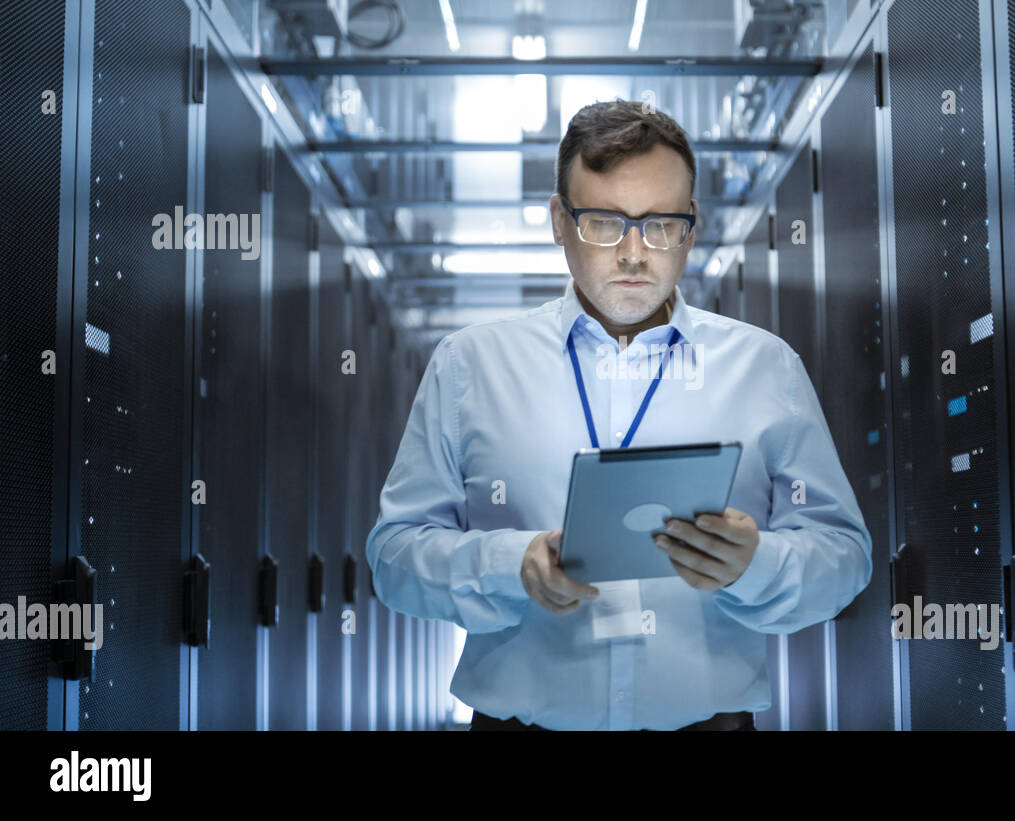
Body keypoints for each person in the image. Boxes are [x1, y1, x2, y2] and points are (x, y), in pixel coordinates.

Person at [365, 99, 872, 731]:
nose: (634, 253)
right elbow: (393, 558)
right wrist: (508, 564)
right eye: (604, 223)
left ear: (692, 224)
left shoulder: (765, 368)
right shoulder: (470, 365)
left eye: (661, 224)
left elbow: (846, 556)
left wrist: (756, 565)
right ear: (558, 219)